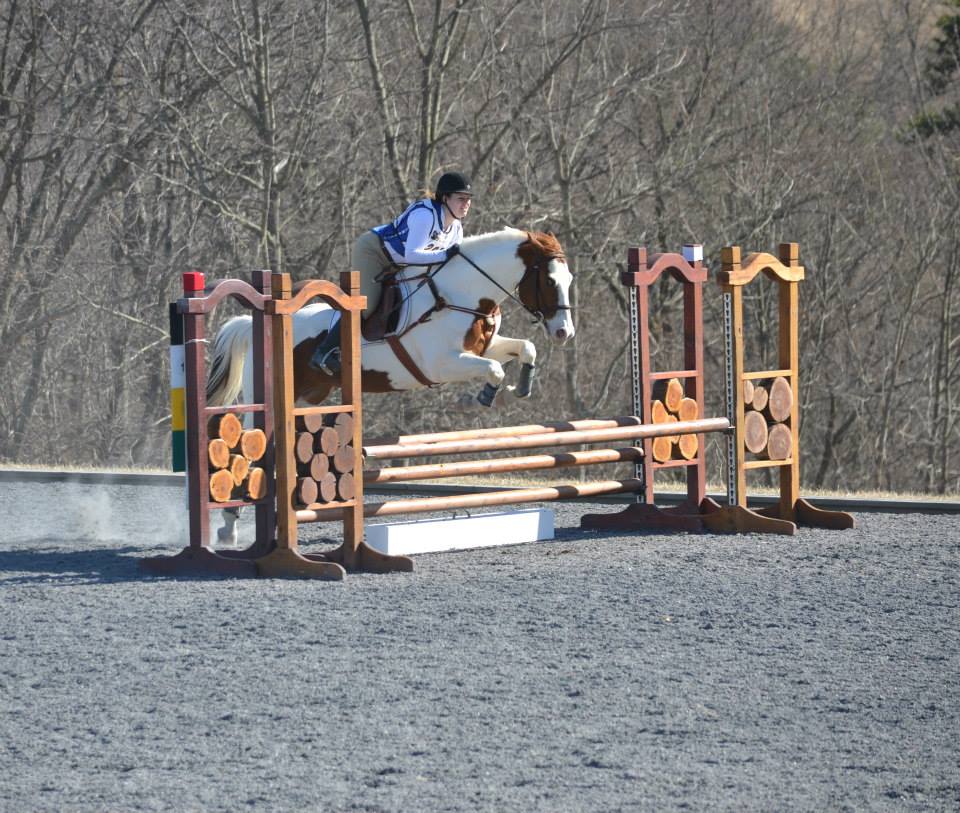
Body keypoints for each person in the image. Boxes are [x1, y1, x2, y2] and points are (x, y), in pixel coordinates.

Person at [310, 171, 473, 374]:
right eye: (461, 199)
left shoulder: (456, 228)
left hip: (399, 263)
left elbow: (445, 265)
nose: (465, 204)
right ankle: (324, 351)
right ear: (445, 198)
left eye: (468, 200)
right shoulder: (425, 216)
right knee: (368, 304)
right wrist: (446, 255)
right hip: (375, 252)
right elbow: (412, 255)